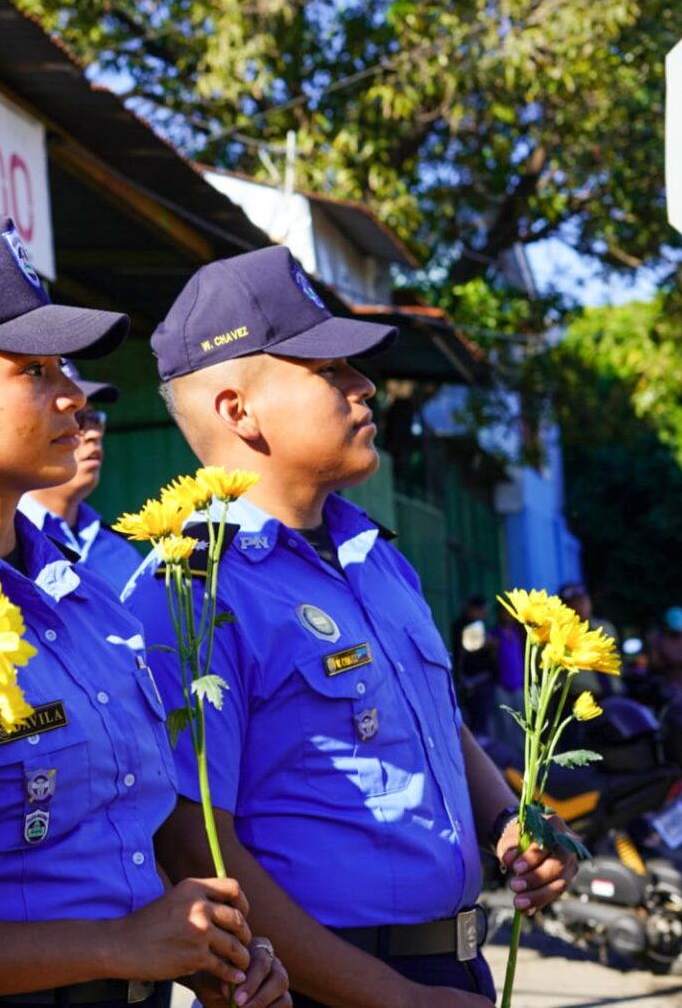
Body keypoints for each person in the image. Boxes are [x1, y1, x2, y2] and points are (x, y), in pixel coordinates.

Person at [0, 217, 289, 1008]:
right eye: (33, 370)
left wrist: (216, 945)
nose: (73, 396)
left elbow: (137, 824)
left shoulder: (87, 595)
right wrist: (118, 943)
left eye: (62, 365)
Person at [122, 247, 579, 1008]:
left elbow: (443, 727)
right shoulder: (189, 591)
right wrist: (395, 999)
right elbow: (195, 845)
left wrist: (510, 822)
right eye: (328, 371)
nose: (363, 386)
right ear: (239, 411)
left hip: (453, 964)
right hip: (326, 987)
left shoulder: (374, 555)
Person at [16, 361, 141, 596]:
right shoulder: (2, 545)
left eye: (94, 419)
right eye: (76, 418)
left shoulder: (120, 551)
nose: (92, 433)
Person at [449, 596, 498, 734]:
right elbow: (473, 645)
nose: (483, 614)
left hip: (485, 679)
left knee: (485, 717)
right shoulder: (462, 625)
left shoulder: (479, 624)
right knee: (476, 719)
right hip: (471, 681)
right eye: (480, 610)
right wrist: (488, 643)